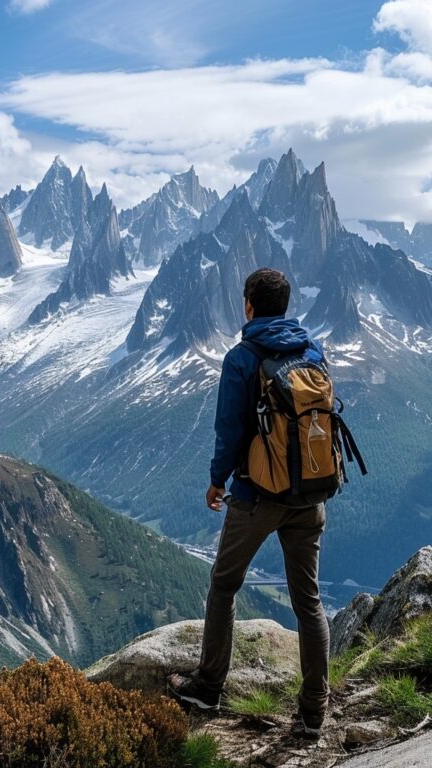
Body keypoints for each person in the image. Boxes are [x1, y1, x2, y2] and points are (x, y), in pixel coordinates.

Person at [167, 267, 330, 739]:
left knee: (223, 584)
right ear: (286, 304)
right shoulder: (312, 350)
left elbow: (230, 429)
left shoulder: (241, 358)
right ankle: (314, 712)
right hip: (310, 494)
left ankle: (209, 686)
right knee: (309, 601)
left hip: (257, 496)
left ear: (249, 305)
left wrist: (217, 480)